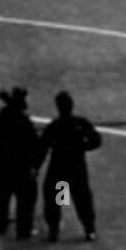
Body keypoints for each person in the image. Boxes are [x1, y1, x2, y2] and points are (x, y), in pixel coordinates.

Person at [39, 90, 102, 242]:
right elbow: (96, 140)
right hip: (77, 169)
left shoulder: (54, 126)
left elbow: (42, 147)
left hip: (59, 169)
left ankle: (54, 230)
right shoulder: (80, 123)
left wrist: (35, 166)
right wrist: (82, 147)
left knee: (58, 199)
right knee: (82, 199)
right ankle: (89, 229)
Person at [0, 87, 42, 239]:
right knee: (25, 200)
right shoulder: (24, 122)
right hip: (21, 167)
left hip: (2, 165)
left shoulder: (2, 116)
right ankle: (24, 231)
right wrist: (35, 165)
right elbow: (35, 145)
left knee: (2, 197)